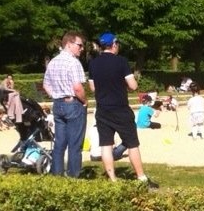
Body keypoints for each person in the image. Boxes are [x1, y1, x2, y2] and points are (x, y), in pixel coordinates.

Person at [87, 32, 157, 187]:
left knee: (106, 144)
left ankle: (112, 179)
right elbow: (133, 86)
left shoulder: (93, 63)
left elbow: (92, 87)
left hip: (103, 109)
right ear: (114, 44)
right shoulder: (121, 62)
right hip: (120, 108)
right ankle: (141, 177)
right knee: (132, 143)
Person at [43, 30, 88, 178]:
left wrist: (56, 95)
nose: (82, 48)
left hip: (58, 104)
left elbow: (46, 85)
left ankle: (57, 175)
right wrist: (84, 101)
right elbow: (77, 87)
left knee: (59, 143)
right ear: (69, 44)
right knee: (75, 143)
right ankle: (73, 176)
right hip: (72, 103)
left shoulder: (53, 62)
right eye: (79, 45)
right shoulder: (73, 62)